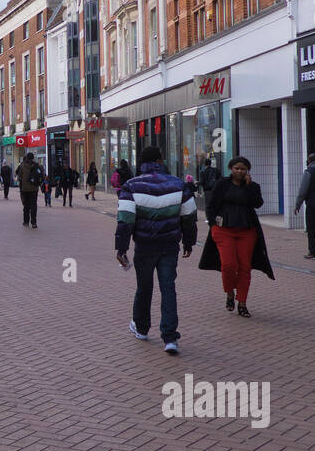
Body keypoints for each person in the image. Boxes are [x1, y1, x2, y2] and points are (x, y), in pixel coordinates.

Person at [116, 145, 198, 355]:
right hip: (169, 245)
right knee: (168, 288)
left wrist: (121, 248)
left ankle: (142, 328)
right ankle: (170, 337)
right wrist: (189, 242)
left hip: (144, 246)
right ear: (160, 161)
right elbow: (189, 217)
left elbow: (125, 220)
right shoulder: (179, 185)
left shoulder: (131, 186)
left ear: (141, 162)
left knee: (144, 287)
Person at [200, 155, 275, 318]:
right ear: (231, 169)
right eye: (236, 168)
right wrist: (213, 222)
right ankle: (229, 292)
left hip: (247, 231)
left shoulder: (253, 186)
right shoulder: (222, 184)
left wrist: (248, 186)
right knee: (228, 265)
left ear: (247, 171)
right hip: (223, 230)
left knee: (244, 267)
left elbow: (257, 203)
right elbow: (211, 205)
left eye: (243, 169)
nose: (239, 171)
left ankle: (242, 302)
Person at [16, 152, 44, 228]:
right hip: (34, 188)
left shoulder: (22, 166)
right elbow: (41, 176)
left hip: (25, 189)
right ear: (33, 158)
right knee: (33, 205)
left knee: (26, 206)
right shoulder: (36, 166)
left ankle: (26, 221)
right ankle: (34, 222)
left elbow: (19, 176)